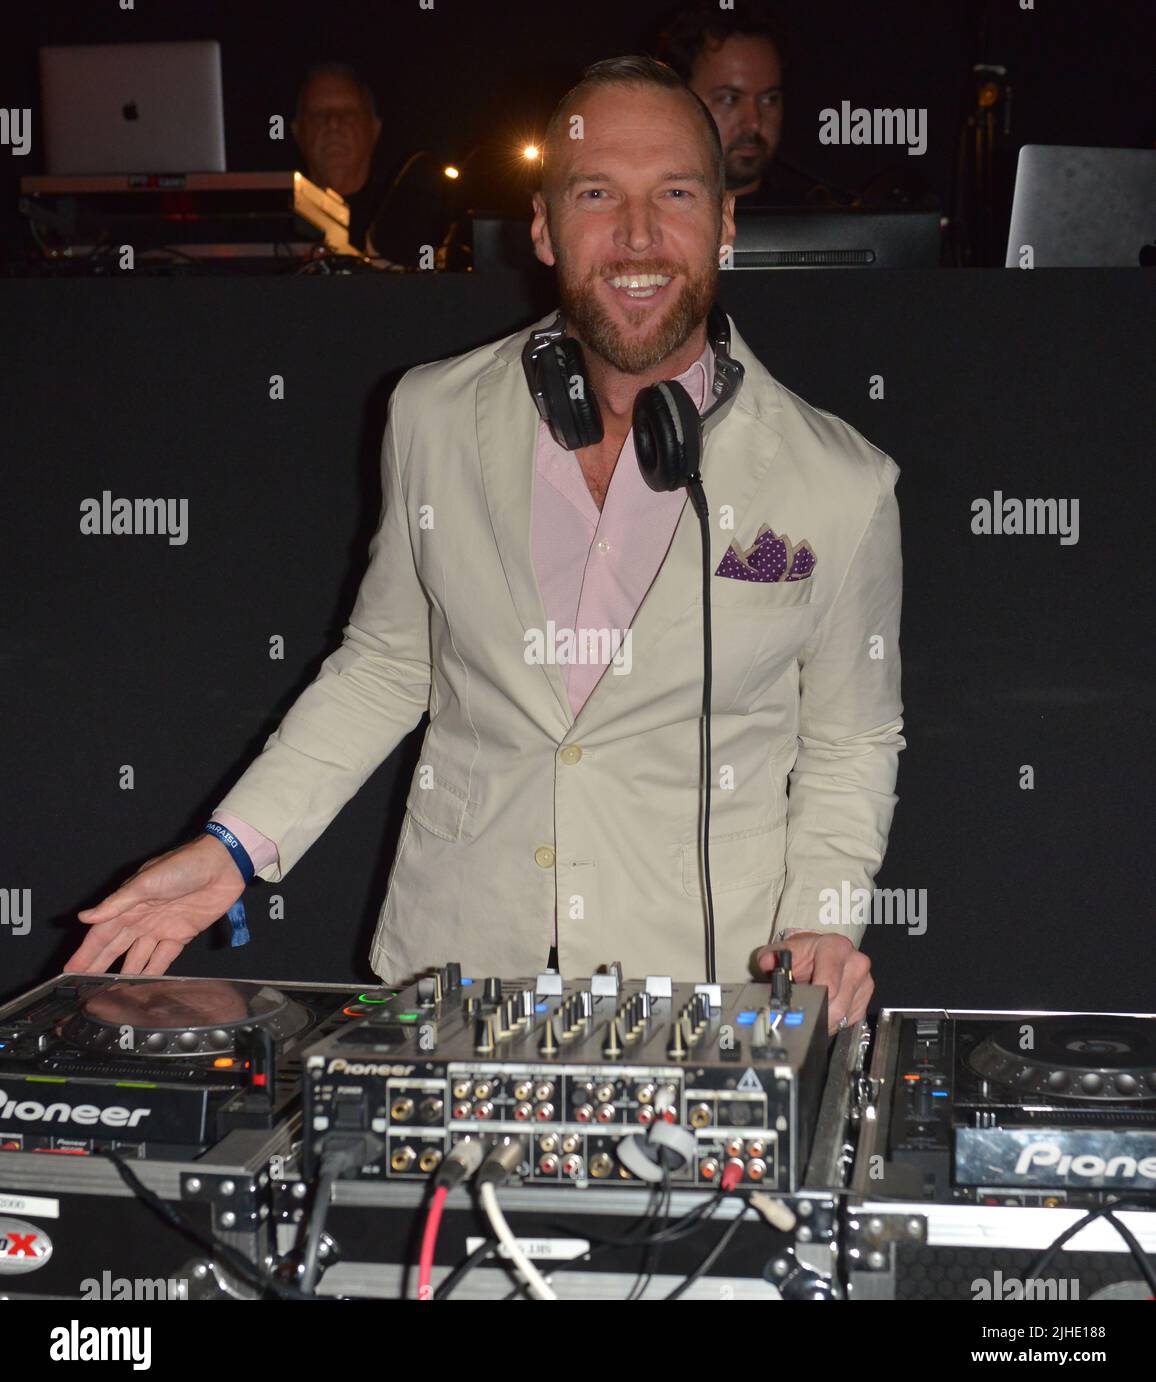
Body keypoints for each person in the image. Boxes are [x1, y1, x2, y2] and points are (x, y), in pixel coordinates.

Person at [68, 57, 904, 1036]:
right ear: (543, 226)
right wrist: (232, 849)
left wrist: (819, 924)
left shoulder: (841, 483)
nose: (638, 235)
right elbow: (388, 664)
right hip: (454, 973)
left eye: (675, 194)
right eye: (597, 194)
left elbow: (850, 742)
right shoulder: (431, 415)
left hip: (705, 993)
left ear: (725, 220)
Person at [657, 1, 829, 207]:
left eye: (769, 99)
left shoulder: (816, 217)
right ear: (675, 103)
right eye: (729, 99)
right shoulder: (636, 217)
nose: (754, 123)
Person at [291, 61, 384, 251]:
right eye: (318, 114)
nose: (333, 123)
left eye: (347, 113)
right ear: (298, 131)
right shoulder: (272, 228)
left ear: (374, 129)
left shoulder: (410, 221)